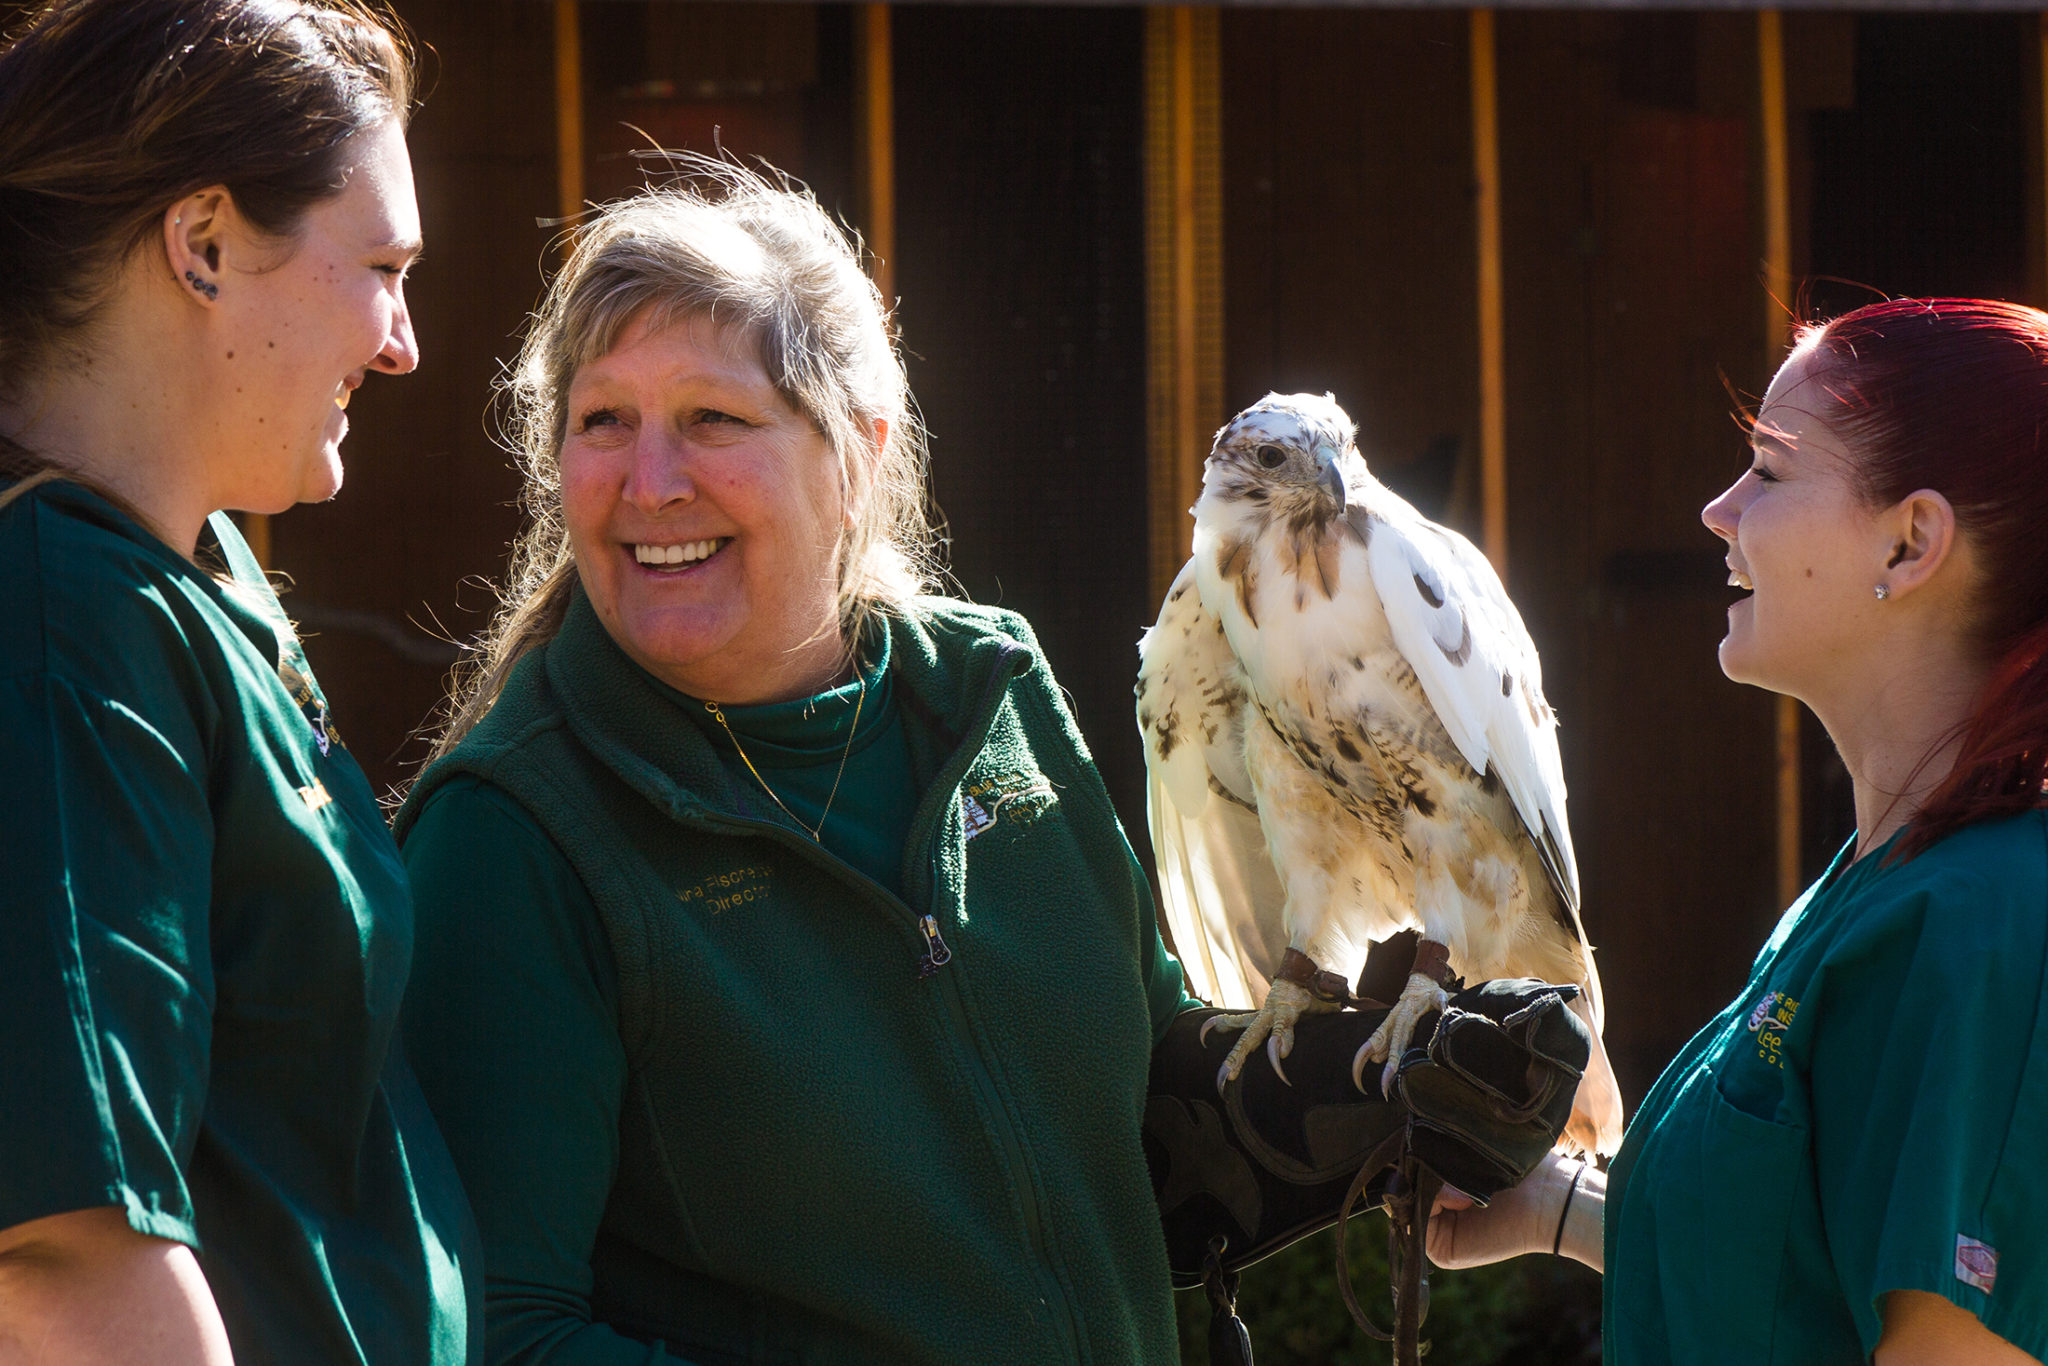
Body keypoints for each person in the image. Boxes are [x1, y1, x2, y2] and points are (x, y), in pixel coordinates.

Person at [395, 168, 1199, 1365]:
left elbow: (1148, 1092)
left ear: (856, 455)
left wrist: (1372, 1092)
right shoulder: (515, 832)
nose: (650, 484)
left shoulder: (989, 699)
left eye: (713, 419)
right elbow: (487, 1336)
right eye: (601, 420)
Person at [1427, 298, 2048, 1365]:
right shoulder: (1870, 885)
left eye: (1765, 470)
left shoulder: (1989, 920)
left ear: (1907, 543)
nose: (1717, 511)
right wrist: (1549, 1205)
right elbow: (1793, 1278)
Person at [0, 2, 477, 1361]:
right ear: (203, 244)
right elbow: (65, 1258)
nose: (404, 343)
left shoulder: (191, 569)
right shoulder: (54, 626)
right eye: (382, 264)